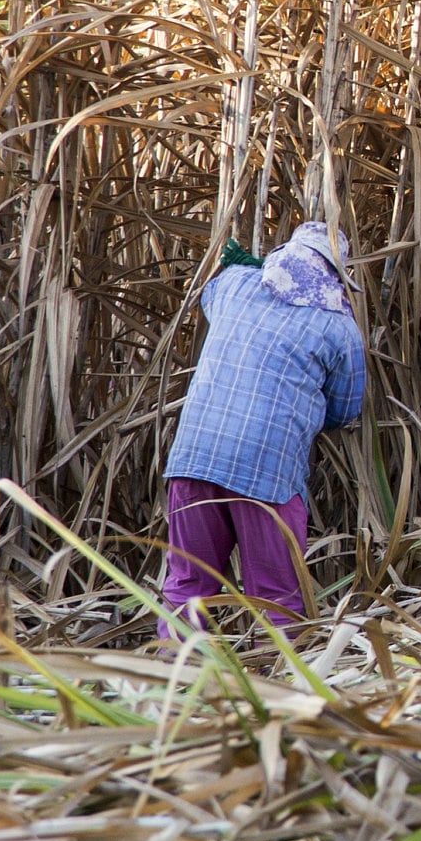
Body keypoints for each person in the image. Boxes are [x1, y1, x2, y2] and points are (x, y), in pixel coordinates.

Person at [159, 221, 366, 634]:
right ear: (335, 277)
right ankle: (279, 683)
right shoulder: (340, 329)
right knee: (277, 597)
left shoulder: (234, 284)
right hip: (267, 476)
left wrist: (252, 269)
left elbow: (210, 296)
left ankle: (172, 679)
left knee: (187, 586)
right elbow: (346, 411)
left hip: (193, 461)